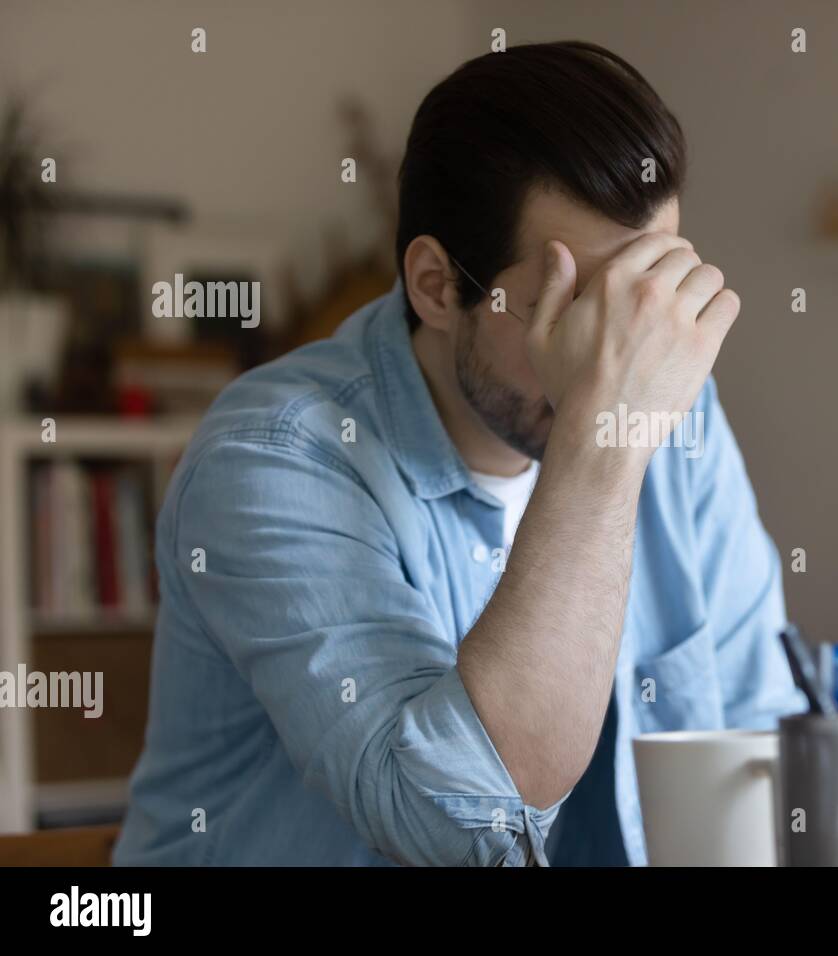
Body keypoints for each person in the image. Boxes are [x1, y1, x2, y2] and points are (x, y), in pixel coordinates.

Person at [114, 40, 802, 867]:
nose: (616, 349)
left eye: (642, 294)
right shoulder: (270, 462)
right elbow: (457, 829)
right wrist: (603, 442)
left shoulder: (677, 420)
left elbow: (762, 745)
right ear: (438, 287)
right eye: (576, 301)